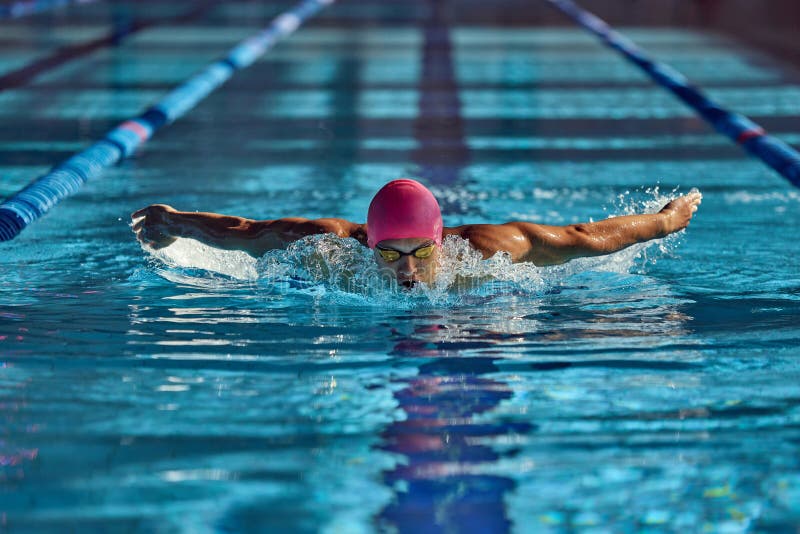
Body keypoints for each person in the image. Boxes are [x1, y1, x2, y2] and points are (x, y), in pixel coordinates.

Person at [132, 178, 701, 288]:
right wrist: (175, 223)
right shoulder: (332, 248)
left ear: (442, 242)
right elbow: (247, 232)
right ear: (368, 244)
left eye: (420, 252)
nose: (406, 269)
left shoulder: (488, 252)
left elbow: (586, 237)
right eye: (390, 255)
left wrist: (663, 221)